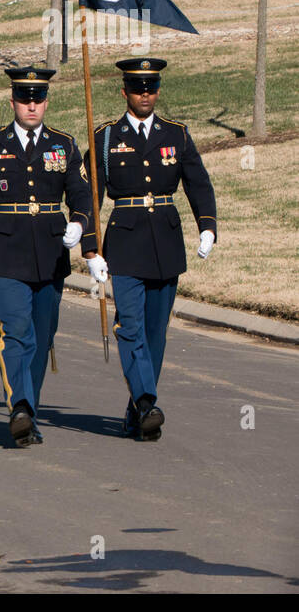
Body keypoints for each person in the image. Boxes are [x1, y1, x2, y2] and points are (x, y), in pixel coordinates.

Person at [0, 67, 99, 447]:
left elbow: (82, 194)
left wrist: (80, 223)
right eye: (24, 99)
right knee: (15, 331)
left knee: (42, 335)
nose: (31, 106)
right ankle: (18, 406)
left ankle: (28, 411)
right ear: (13, 101)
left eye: (38, 99)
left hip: (51, 253)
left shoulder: (63, 144)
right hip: (6, 252)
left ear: (46, 101)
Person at [82, 57, 218, 442]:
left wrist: (207, 226)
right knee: (130, 328)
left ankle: (137, 412)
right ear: (124, 92)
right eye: (138, 88)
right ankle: (145, 401)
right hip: (125, 243)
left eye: (151, 87)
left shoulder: (176, 134)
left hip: (166, 242)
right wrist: (91, 249)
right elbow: (88, 196)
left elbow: (198, 183)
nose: (145, 94)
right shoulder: (106, 137)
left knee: (156, 333)